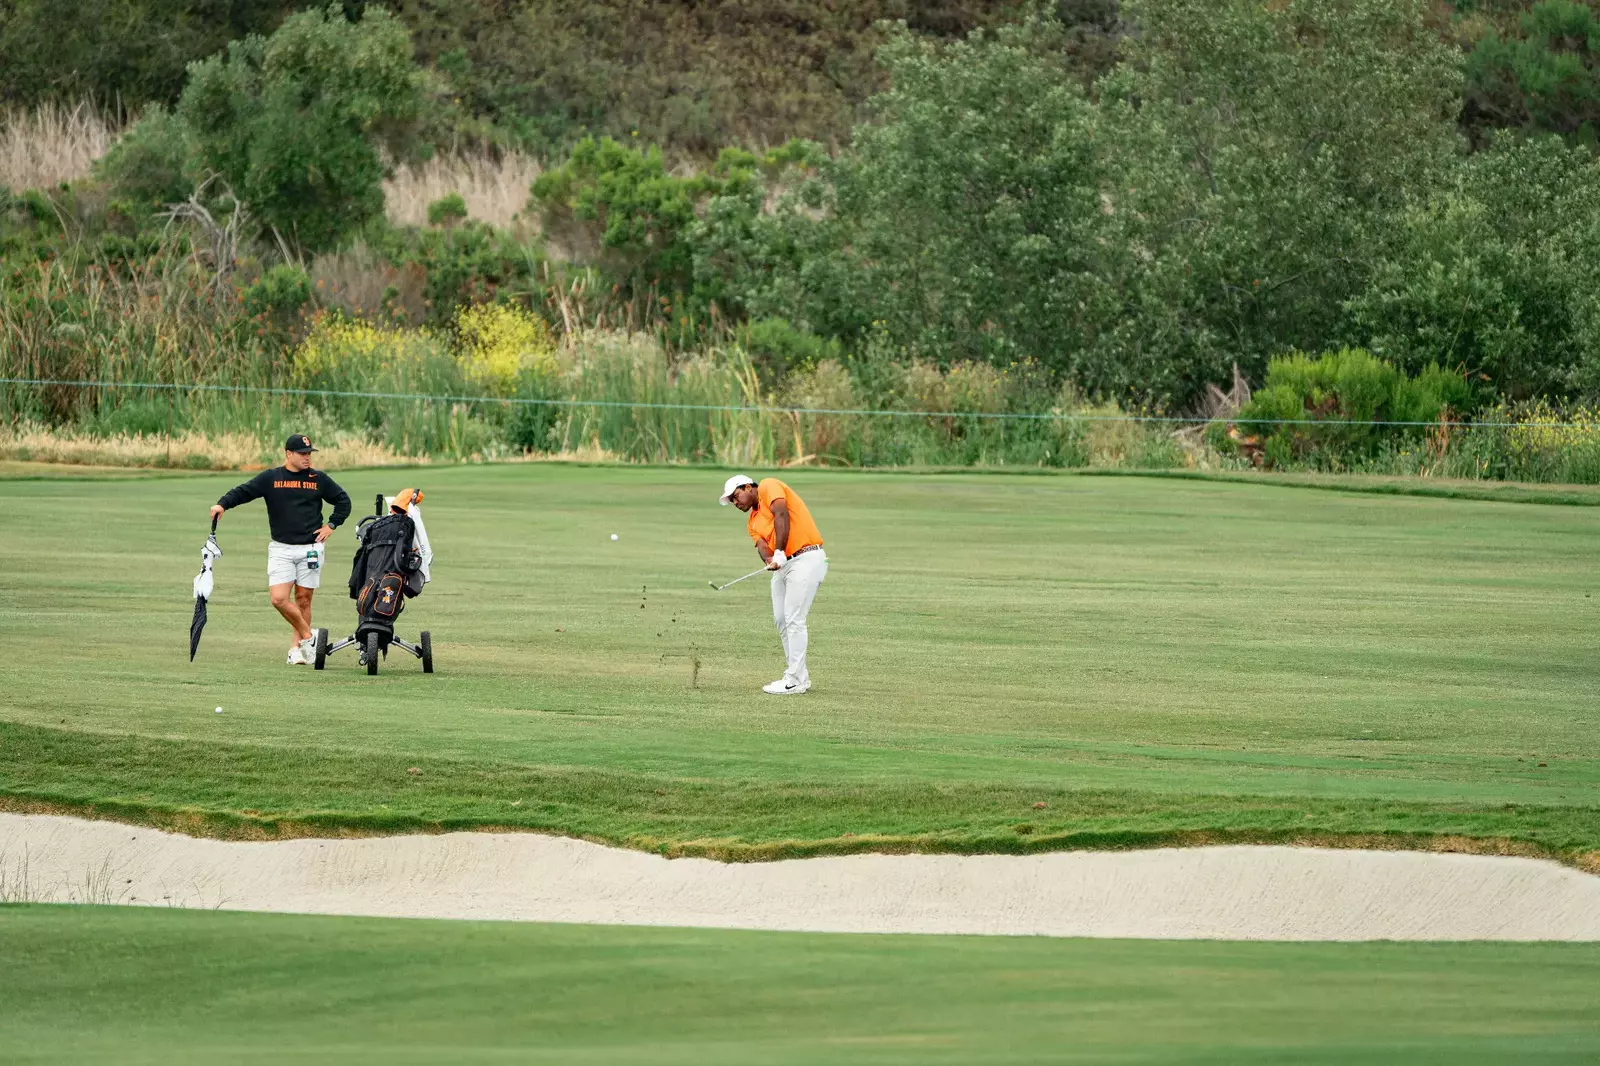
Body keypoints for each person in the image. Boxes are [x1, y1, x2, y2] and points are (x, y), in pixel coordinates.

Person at [209, 434, 352, 665]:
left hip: (311, 548)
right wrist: (223, 503)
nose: (307, 458)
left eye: (309, 454)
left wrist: (332, 525)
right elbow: (244, 491)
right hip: (281, 549)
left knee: (304, 599)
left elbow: (343, 501)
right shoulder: (271, 478)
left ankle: (297, 650)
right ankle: (309, 637)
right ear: (288, 454)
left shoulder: (318, 479)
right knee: (278, 599)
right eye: (302, 454)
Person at [720, 474, 828, 694]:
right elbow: (761, 546)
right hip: (784, 564)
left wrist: (779, 551)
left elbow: (781, 514)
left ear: (748, 487)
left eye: (736, 496)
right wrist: (770, 559)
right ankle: (800, 676)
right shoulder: (752, 521)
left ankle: (794, 680)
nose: (735, 502)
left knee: (794, 618)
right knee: (781, 619)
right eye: (731, 500)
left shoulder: (769, 486)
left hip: (806, 558)